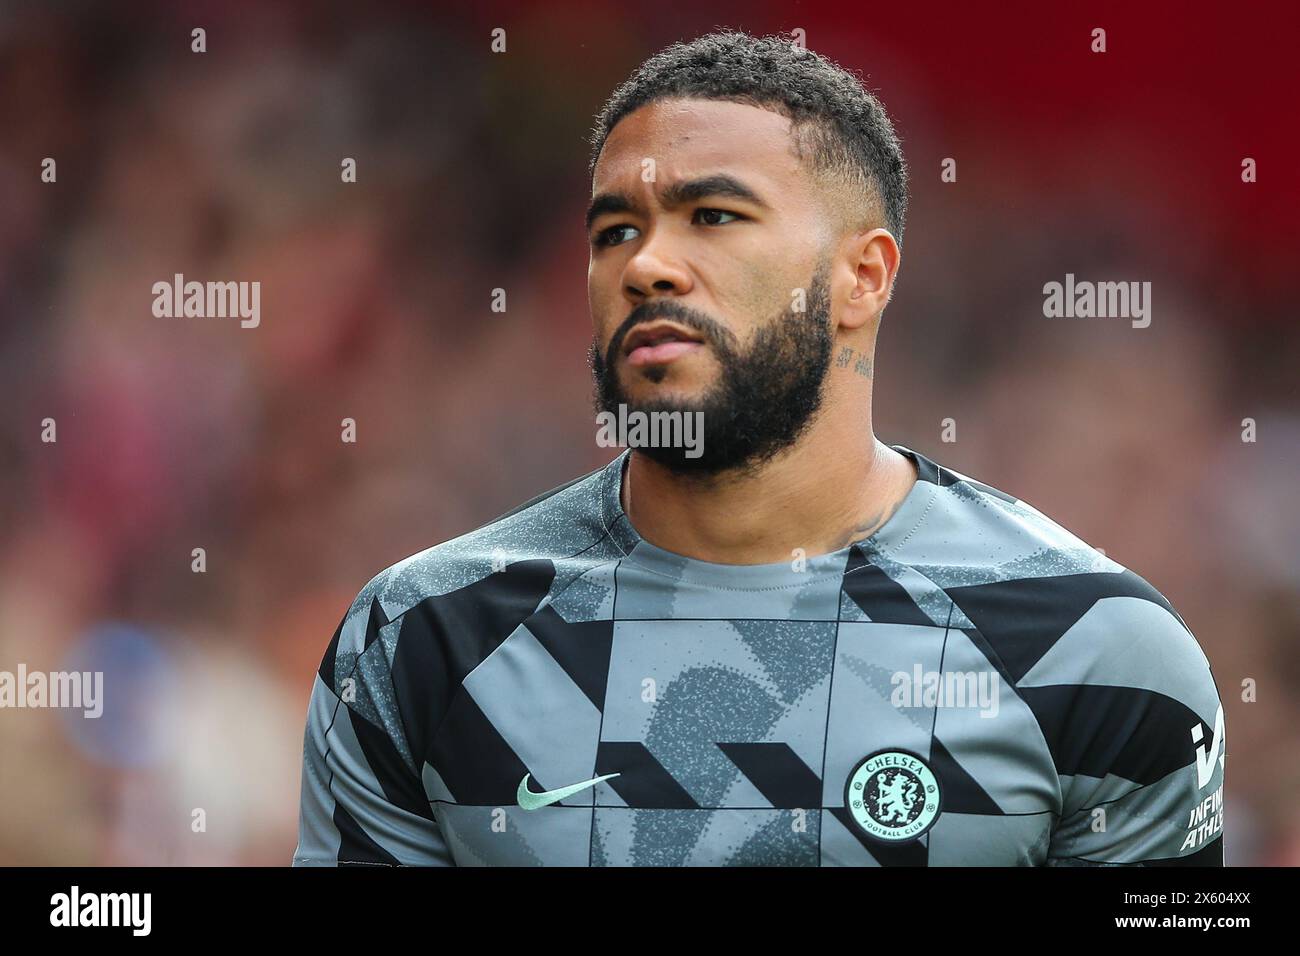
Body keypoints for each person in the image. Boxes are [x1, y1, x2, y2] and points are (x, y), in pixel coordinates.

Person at [293, 30, 1224, 866]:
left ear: (862, 277)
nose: (646, 263)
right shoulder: (424, 640)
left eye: (714, 216)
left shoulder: (1095, 650)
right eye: (615, 229)